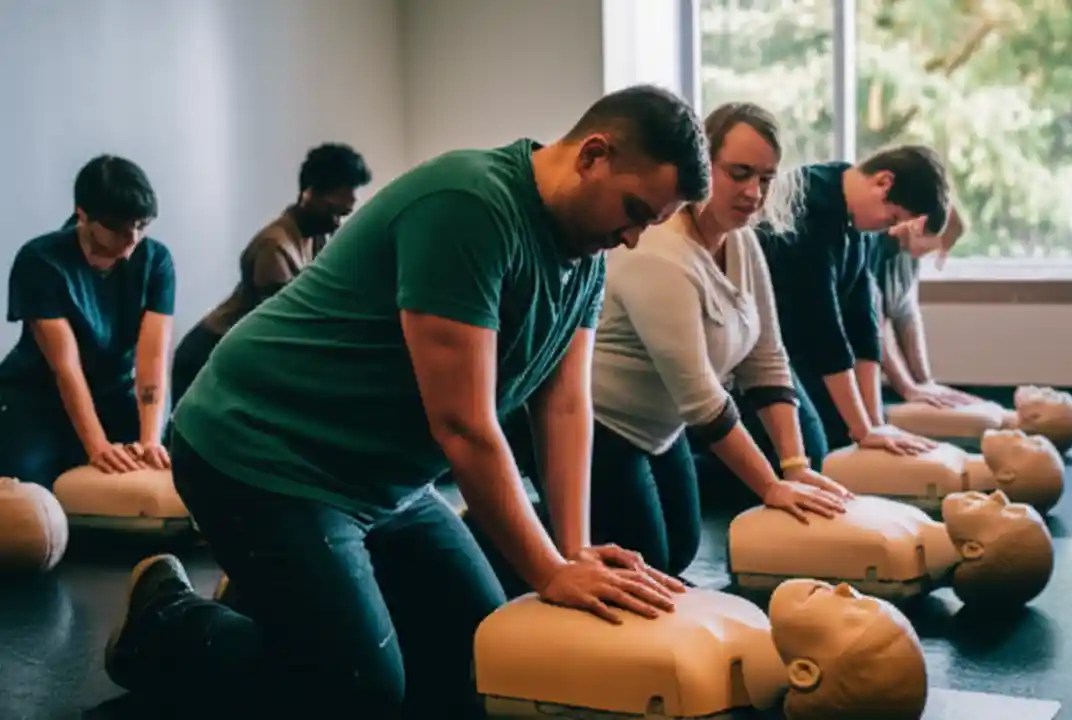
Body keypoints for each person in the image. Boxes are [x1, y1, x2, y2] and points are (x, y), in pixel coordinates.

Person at [102, 84, 711, 720]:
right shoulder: (469, 206)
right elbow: (464, 426)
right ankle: (166, 618)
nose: (635, 238)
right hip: (263, 452)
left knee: (476, 651)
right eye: (636, 211)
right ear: (593, 154)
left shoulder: (586, 255)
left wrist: (573, 549)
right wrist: (550, 574)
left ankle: (279, 596)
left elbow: (563, 405)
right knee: (361, 688)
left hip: (385, 482)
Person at [582, 102, 849, 579]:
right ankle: (509, 527)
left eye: (765, 179)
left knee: (680, 550)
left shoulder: (741, 240)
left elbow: (767, 359)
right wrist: (770, 486)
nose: (753, 193)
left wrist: (795, 465)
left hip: (662, 430)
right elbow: (702, 399)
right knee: (650, 563)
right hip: (603, 428)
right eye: (740, 173)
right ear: (703, 166)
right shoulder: (660, 253)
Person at [755, 145, 953, 462]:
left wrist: (875, 424)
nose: (889, 228)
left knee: (841, 433)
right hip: (754, 355)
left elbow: (863, 324)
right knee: (816, 449)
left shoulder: (857, 222)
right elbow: (824, 329)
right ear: (883, 182)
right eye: (892, 217)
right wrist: (862, 428)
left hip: (796, 350)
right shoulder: (809, 204)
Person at [0, 155, 175, 488]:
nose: (132, 238)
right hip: (38, 396)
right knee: (25, 479)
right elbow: (65, 366)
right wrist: (97, 446)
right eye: (119, 229)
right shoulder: (40, 260)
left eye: (141, 225)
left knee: (168, 458)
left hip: (114, 392)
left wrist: (151, 439)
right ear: (83, 215)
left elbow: (152, 358)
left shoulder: (157, 260)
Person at [169, 143, 371, 410]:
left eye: (344, 214)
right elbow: (284, 330)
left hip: (239, 353)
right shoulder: (274, 246)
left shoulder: (319, 236)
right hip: (207, 353)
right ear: (308, 193)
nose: (338, 222)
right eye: (333, 211)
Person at [868, 206, 981, 408]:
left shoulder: (909, 257)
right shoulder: (876, 244)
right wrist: (908, 388)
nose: (931, 253)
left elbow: (908, 316)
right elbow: (876, 325)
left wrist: (926, 383)